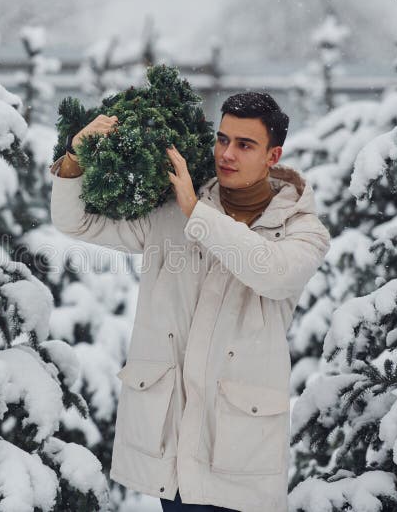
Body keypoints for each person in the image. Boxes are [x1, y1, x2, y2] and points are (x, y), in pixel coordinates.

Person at [49, 92, 331, 512]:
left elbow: (272, 272)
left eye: (244, 144)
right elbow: (77, 222)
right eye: (222, 140)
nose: (227, 153)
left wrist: (197, 212)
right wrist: (75, 157)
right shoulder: (172, 211)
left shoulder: (303, 231)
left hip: (240, 457)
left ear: (274, 155)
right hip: (176, 452)